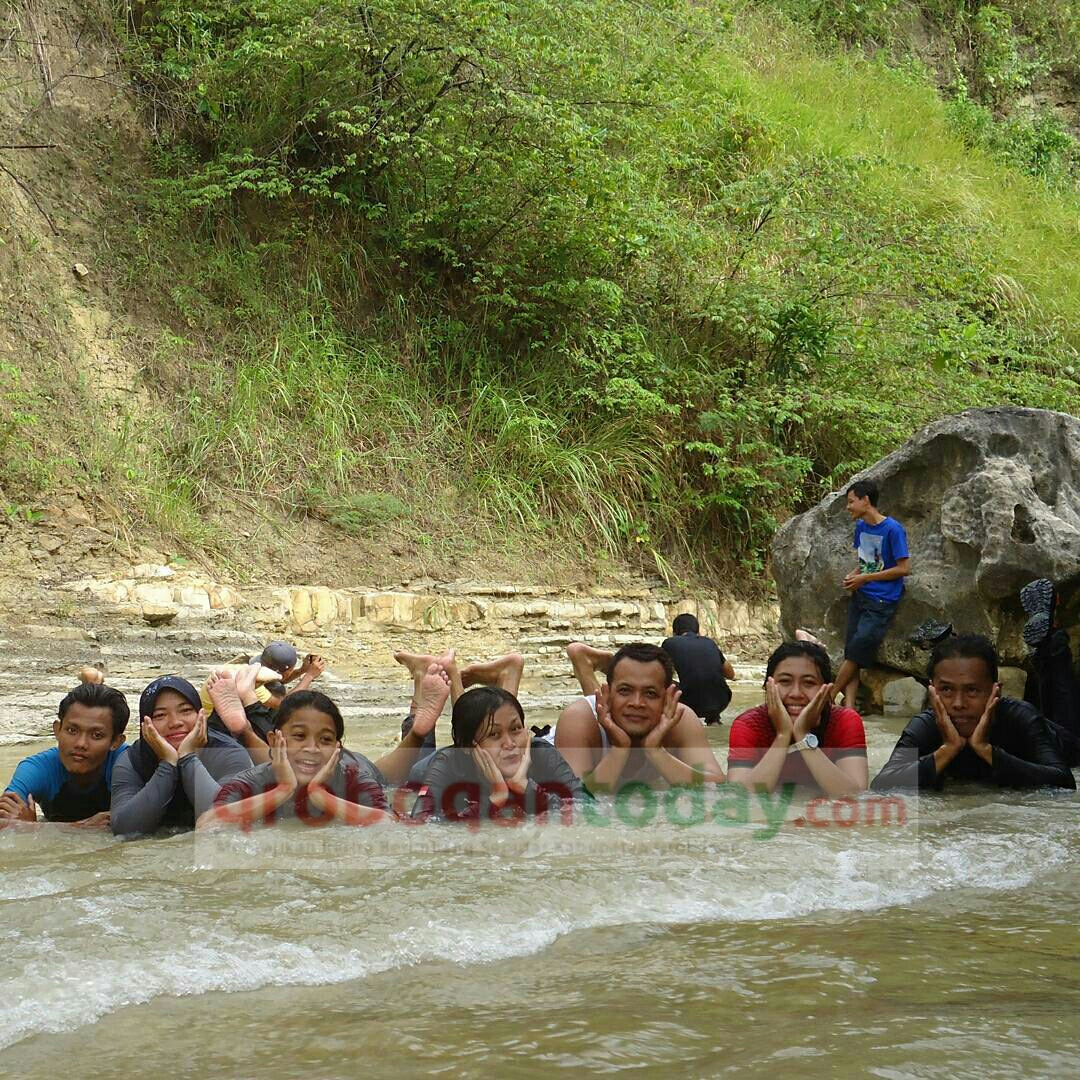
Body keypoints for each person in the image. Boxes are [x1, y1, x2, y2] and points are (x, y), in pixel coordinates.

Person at [871, 634, 1076, 791]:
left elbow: (1064, 781)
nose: (959, 704)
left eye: (972, 690)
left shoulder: (1020, 717)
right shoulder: (925, 725)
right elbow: (882, 785)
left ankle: (1053, 646)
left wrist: (986, 750)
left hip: (1061, 739)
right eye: (947, 690)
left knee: (1065, 714)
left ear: (996, 690)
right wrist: (948, 749)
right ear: (932, 690)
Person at [200, 690, 399, 828]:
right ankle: (244, 729)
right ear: (272, 739)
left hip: (362, 764)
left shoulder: (355, 778)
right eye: (299, 736)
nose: (312, 748)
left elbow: (391, 825)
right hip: (275, 770)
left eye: (326, 739)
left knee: (391, 777)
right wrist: (282, 790)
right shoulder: (251, 781)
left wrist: (321, 796)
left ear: (337, 747)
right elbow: (206, 825)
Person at [555, 642, 726, 792]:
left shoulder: (680, 719)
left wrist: (656, 751)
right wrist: (619, 750)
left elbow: (719, 787)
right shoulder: (578, 720)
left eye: (650, 693)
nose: (637, 703)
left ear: (667, 697)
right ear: (607, 692)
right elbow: (574, 801)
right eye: (625, 691)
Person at [412, 686, 585, 822]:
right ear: (467, 745)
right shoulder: (448, 764)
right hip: (421, 770)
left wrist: (527, 789)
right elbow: (421, 824)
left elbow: (584, 808)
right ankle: (418, 711)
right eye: (494, 734)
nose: (510, 744)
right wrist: (494, 800)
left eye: (516, 729)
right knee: (416, 754)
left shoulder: (541, 753)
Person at [110, 675, 252, 835]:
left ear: (201, 715)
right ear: (145, 725)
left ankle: (245, 720)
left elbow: (228, 822)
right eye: (160, 716)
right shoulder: (132, 759)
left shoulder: (228, 752)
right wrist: (167, 765)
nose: (175, 722)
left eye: (185, 711)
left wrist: (188, 758)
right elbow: (124, 830)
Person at [727, 641, 868, 796]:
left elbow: (856, 797)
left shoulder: (844, 721)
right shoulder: (748, 725)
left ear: (827, 690)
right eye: (785, 681)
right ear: (767, 687)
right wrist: (783, 736)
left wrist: (803, 736)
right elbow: (739, 799)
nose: (796, 693)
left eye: (808, 683)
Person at [0, 682, 130, 826]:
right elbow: (4, 820)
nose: (81, 743)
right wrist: (30, 829)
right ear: (57, 730)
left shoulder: (128, 762)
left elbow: (147, 819)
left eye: (96, 735)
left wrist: (34, 828)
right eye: (72, 730)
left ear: (116, 742)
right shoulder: (37, 768)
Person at [833, 479, 911, 705]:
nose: (848, 507)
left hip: (882, 600)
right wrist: (854, 574)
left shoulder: (893, 529)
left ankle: (830, 696)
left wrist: (864, 578)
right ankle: (849, 706)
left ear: (865, 500)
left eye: (851, 501)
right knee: (852, 652)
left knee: (857, 651)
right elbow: (867, 561)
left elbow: (904, 568)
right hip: (861, 596)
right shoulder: (861, 527)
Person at [661, 613, 735, 725]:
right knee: (711, 684)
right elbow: (730, 674)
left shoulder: (670, 643)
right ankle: (713, 719)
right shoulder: (709, 642)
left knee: (663, 683)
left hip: (690, 702)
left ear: (675, 633)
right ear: (698, 631)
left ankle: (683, 721)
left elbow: (658, 671)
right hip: (722, 700)